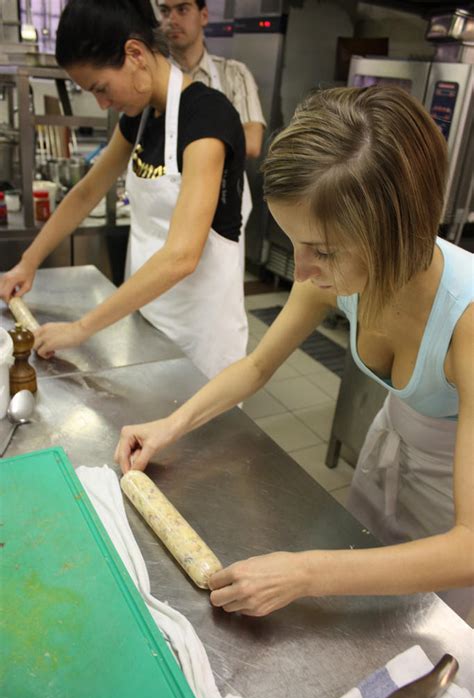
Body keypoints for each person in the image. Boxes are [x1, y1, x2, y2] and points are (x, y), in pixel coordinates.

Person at [115, 86, 474, 619]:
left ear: (394, 236)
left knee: (436, 630)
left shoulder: (466, 323)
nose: (301, 272)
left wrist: (306, 572)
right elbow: (259, 365)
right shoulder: (347, 265)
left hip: (453, 501)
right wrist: (174, 424)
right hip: (390, 451)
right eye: (295, 244)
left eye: (322, 252)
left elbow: (466, 548)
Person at [0, 0, 248, 380]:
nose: (102, 103)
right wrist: (28, 261)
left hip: (199, 334)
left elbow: (182, 255)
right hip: (146, 315)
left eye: (101, 88)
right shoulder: (144, 114)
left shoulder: (207, 120)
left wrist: (80, 329)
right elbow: (87, 192)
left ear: (135, 54)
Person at [156, 0, 266, 159]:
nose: (172, 20)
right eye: (165, 11)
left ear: (204, 16)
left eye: (182, 9)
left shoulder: (235, 74)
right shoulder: (153, 76)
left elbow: (251, 142)